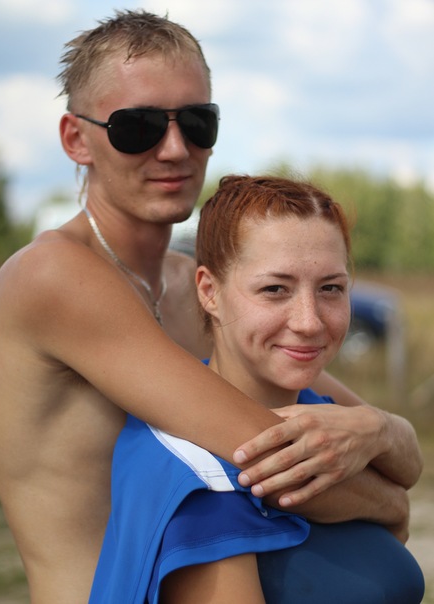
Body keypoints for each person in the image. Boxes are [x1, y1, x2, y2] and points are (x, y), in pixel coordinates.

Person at [0, 10, 422, 604]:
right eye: (137, 126)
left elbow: (385, 449)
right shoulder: (53, 275)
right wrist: (388, 502)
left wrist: (380, 428)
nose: (174, 149)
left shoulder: (189, 283)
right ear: (75, 138)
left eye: (196, 122)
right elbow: (272, 458)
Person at [89, 175, 424, 604]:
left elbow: (408, 470)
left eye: (331, 288)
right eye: (275, 289)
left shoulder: (319, 415)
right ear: (209, 291)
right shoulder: (196, 475)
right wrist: (389, 502)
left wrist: (380, 428)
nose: (309, 321)